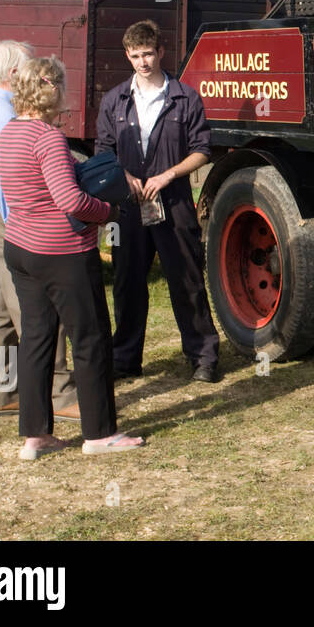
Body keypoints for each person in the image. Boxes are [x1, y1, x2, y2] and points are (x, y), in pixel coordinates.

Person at [0, 56, 143, 458]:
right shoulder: (48, 138)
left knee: (37, 339)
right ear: (53, 91)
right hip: (62, 253)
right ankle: (98, 434)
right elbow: (70, 200)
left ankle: (35, 436)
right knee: (91, 337)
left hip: (21, 247)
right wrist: (108, 213)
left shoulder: (8, 133)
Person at [0, 40, 80, 422]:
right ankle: (60, 393)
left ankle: (1, 391)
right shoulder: (2, 116)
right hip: (7, 218)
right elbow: (12, 179)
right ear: (14, 75)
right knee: (35, 308)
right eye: (28, 71)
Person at [96, 20, 220, 383]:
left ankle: (204, 358)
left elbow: (202, 150)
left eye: (148, 54)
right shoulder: (114, 100)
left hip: (175, 202)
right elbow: (103, 152)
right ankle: (124, 359)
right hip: (129, 207)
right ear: (127, 56)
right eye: (135, 56)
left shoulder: (186, 97)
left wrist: (168, 175)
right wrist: (127, 178)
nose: (142, 62)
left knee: (187, 280)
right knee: (127, 283)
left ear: (161, 52)